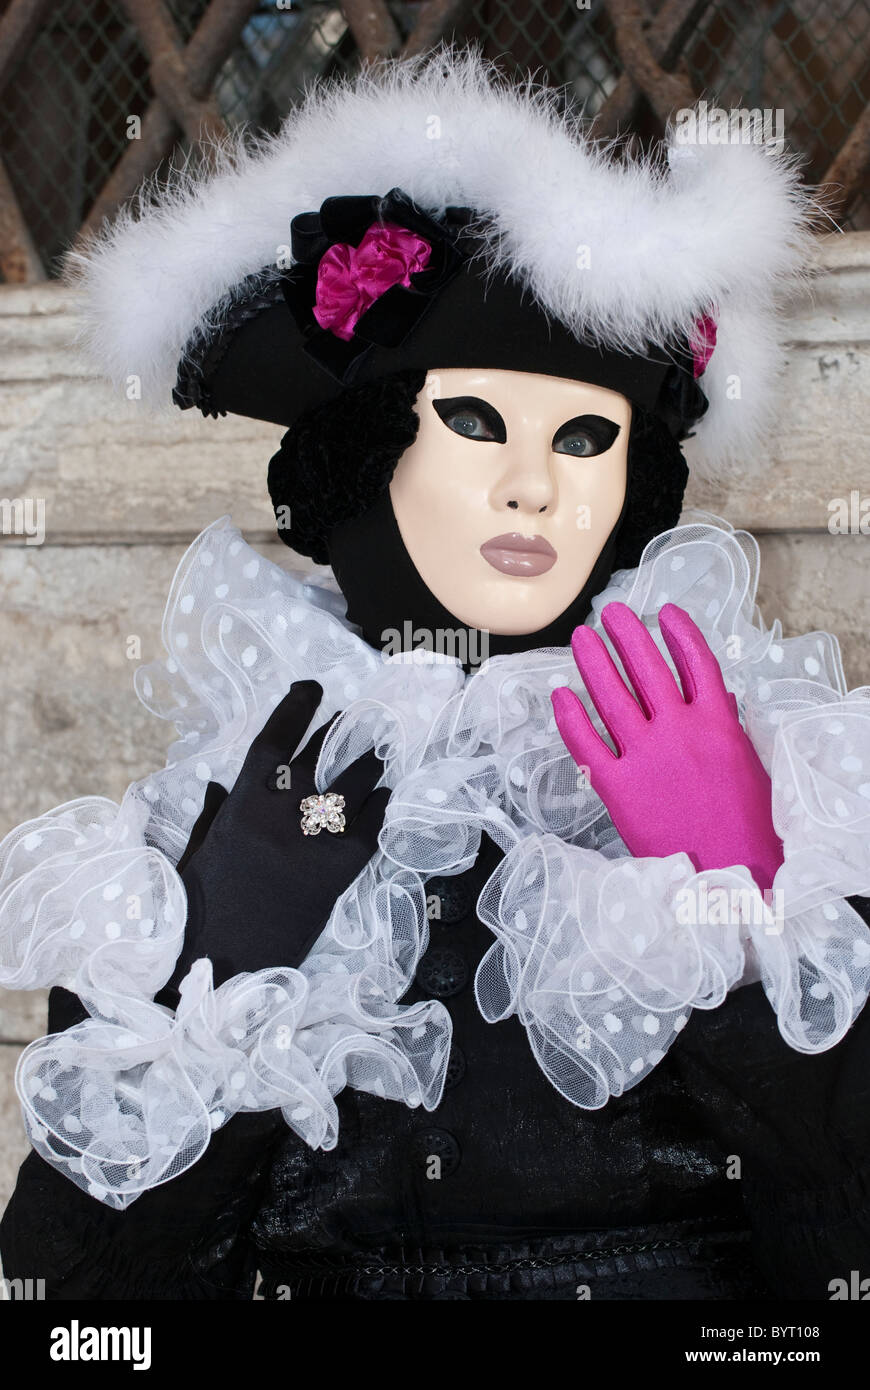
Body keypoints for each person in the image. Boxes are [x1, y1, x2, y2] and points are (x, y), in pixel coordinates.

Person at [1, 47, 869, 1301]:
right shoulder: (224, 791)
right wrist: (220, 976)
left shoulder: (777, 771)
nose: (536, 486)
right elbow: (78, 1313)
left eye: (587, 437)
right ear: (363, 449)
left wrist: (743, 910)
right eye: (476, 421)